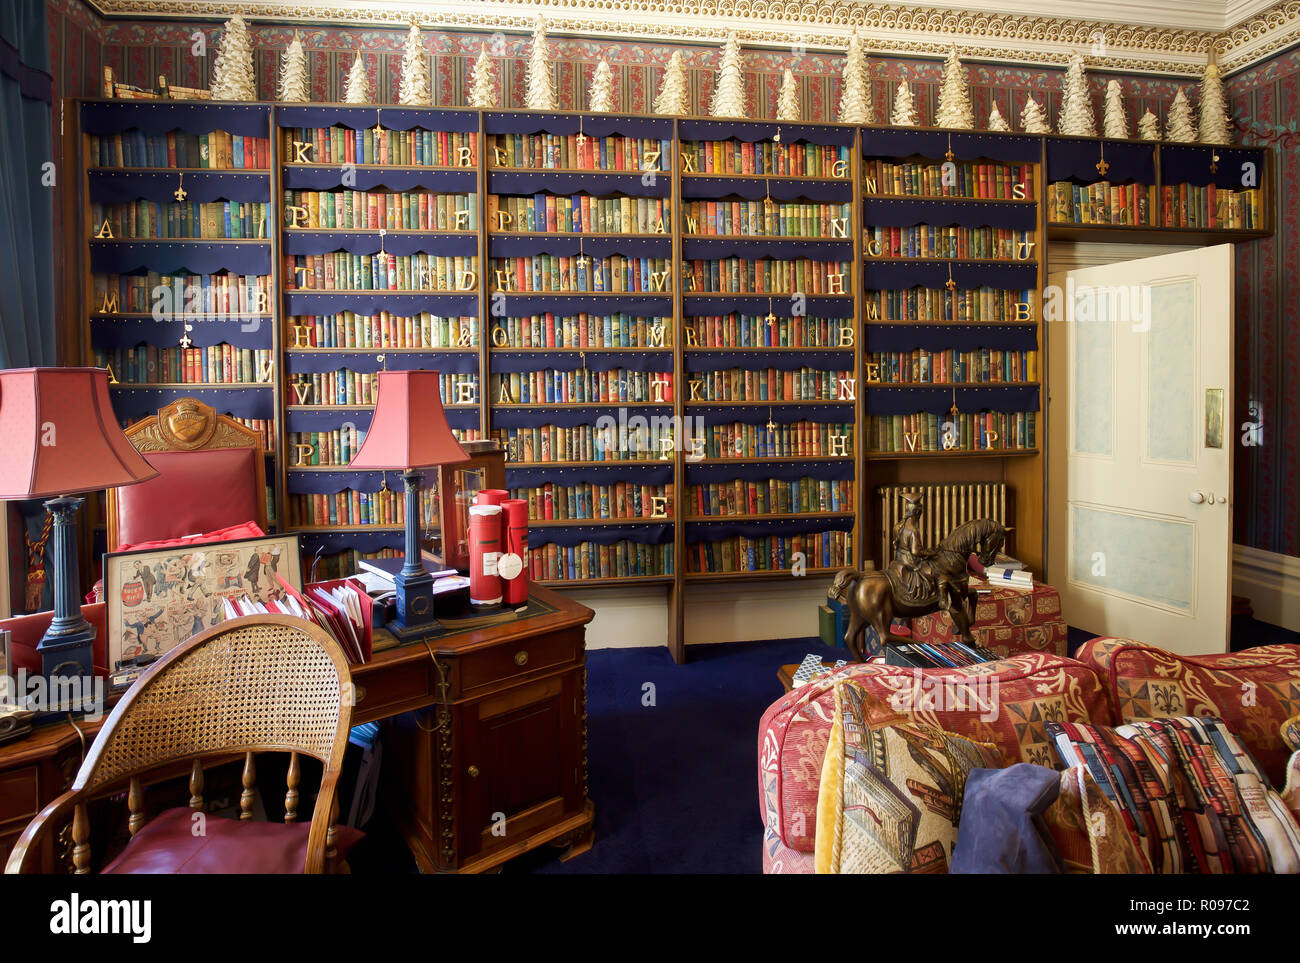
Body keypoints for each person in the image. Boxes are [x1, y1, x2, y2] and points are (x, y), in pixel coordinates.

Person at [886, 492, 939, 604]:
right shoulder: (913, 530)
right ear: (916, 513)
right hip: (910, 562)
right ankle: (933, 599)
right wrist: (930, 553)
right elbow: (916, 552)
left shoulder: (898, 526)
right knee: (933, 572)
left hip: (899, 559)